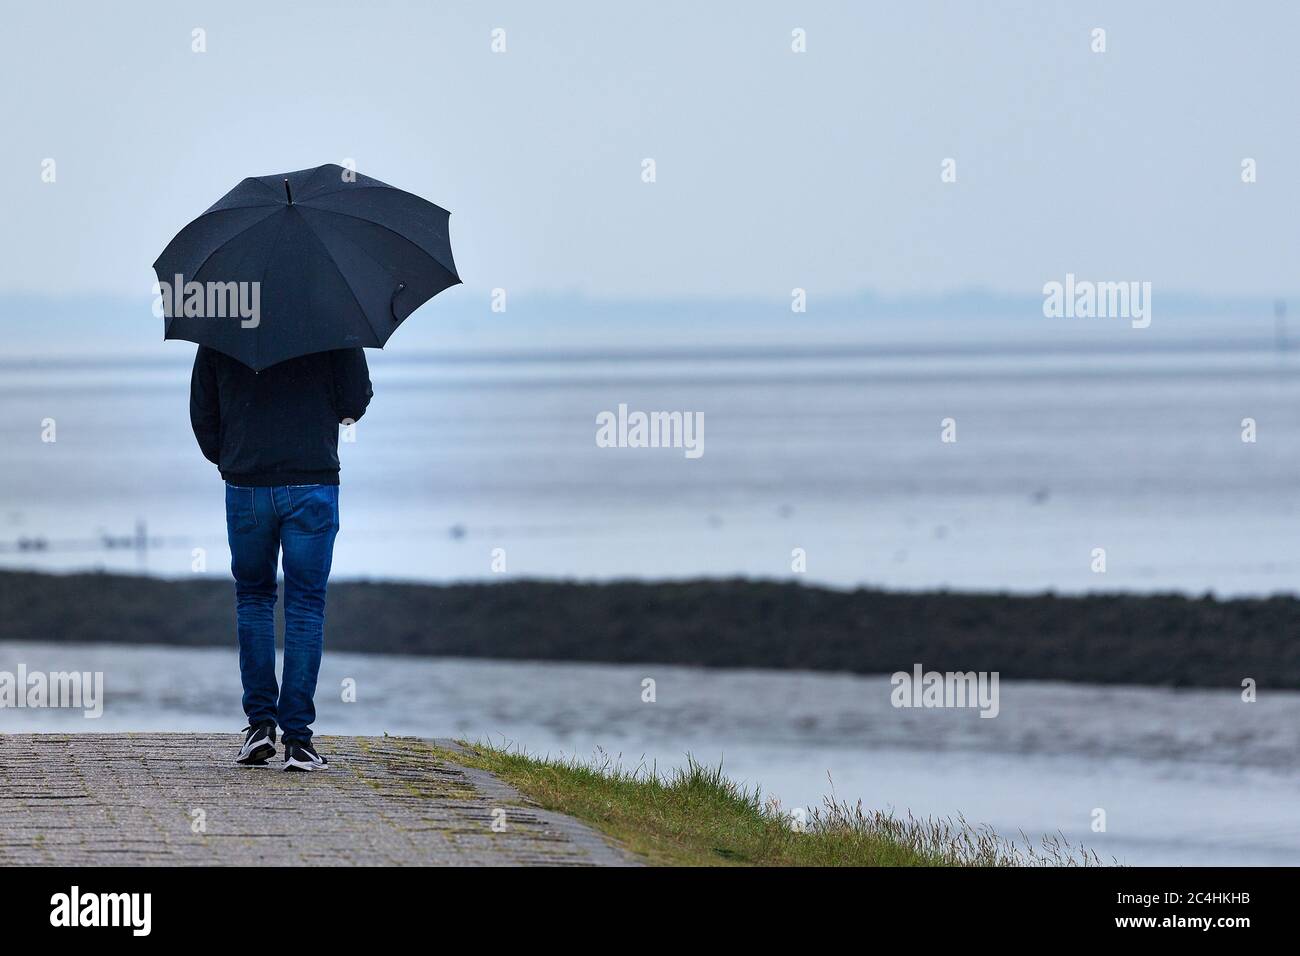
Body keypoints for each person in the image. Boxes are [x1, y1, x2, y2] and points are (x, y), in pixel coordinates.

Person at [189, 345, 372, 771]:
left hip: (246, 484)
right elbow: (353, 402)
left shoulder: (224, 314)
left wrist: (236, 458)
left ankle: (258, 728)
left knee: (253, 599)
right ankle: (299, 741)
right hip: (312, 481)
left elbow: (203, 413)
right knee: (306, 605)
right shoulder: (336, 316)